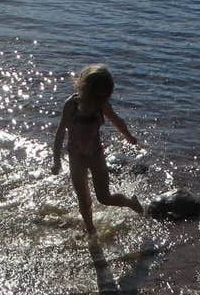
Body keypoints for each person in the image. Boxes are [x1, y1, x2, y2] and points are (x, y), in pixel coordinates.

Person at [51, 64, 142, 235]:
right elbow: (60, 133)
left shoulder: (102, 105)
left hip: (96, 155)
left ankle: (130, 202)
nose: (99, 103)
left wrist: (128, 136)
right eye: (96, 99)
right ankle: (91, 230)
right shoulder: (71, 105)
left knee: (104, 197)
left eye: (103, 98)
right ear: (83, 88)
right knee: (83, 199)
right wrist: (56, 160)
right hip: (76, 158)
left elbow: (117, 121)